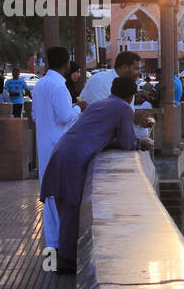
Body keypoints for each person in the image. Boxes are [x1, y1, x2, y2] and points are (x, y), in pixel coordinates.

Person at [40, 76, 153, 274]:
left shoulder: (100, 104)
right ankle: (66, 260)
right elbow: (127, 141)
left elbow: (102, 136)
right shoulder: (124, 108)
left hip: (63, 151)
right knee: (72, 208)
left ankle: (65, 256)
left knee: (66, 207)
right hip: (74, 157)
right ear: (130, 96)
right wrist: (141, 143)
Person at [31, 46, 81, 260]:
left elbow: (35, 116)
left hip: (44, 145)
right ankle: (61, 244)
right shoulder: (59, 87)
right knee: (59, 195)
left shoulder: (41, 84)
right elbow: (64, 117)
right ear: (67, 65)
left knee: (49, 196)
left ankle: (53, 244)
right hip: (58, 146)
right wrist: (79, 107)